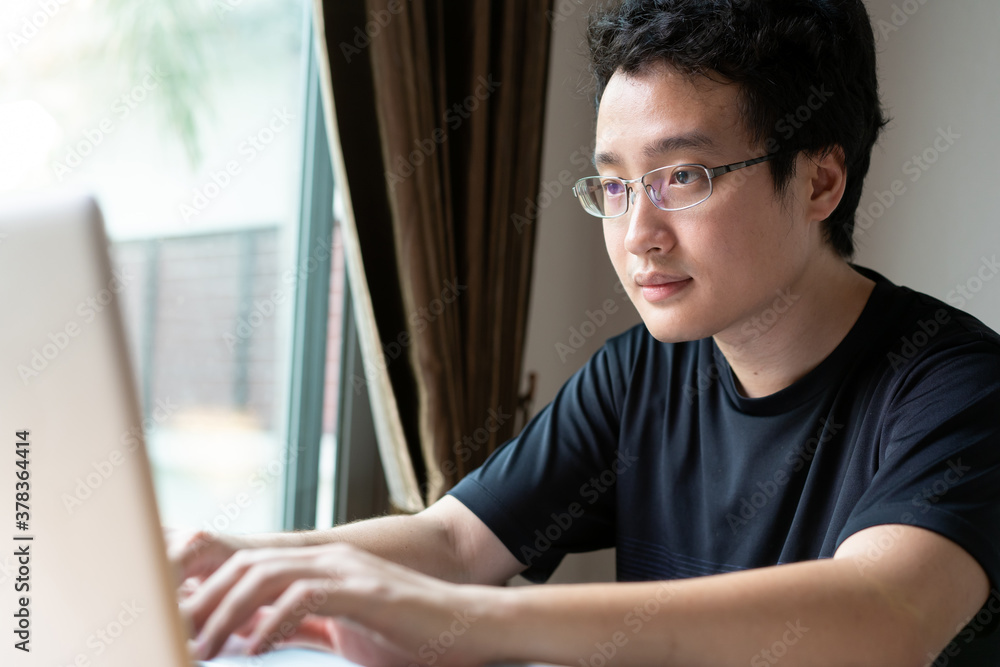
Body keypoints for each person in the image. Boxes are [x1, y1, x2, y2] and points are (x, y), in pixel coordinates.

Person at [173, 1, 1000, 664]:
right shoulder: (639, 373)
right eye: (613, 186)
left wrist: (462, 621)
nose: (638, 232)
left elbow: (883, 617)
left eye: (683, 177)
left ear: (821, 179)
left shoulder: (957, 386)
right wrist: (238, 562)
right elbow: (456, 540)